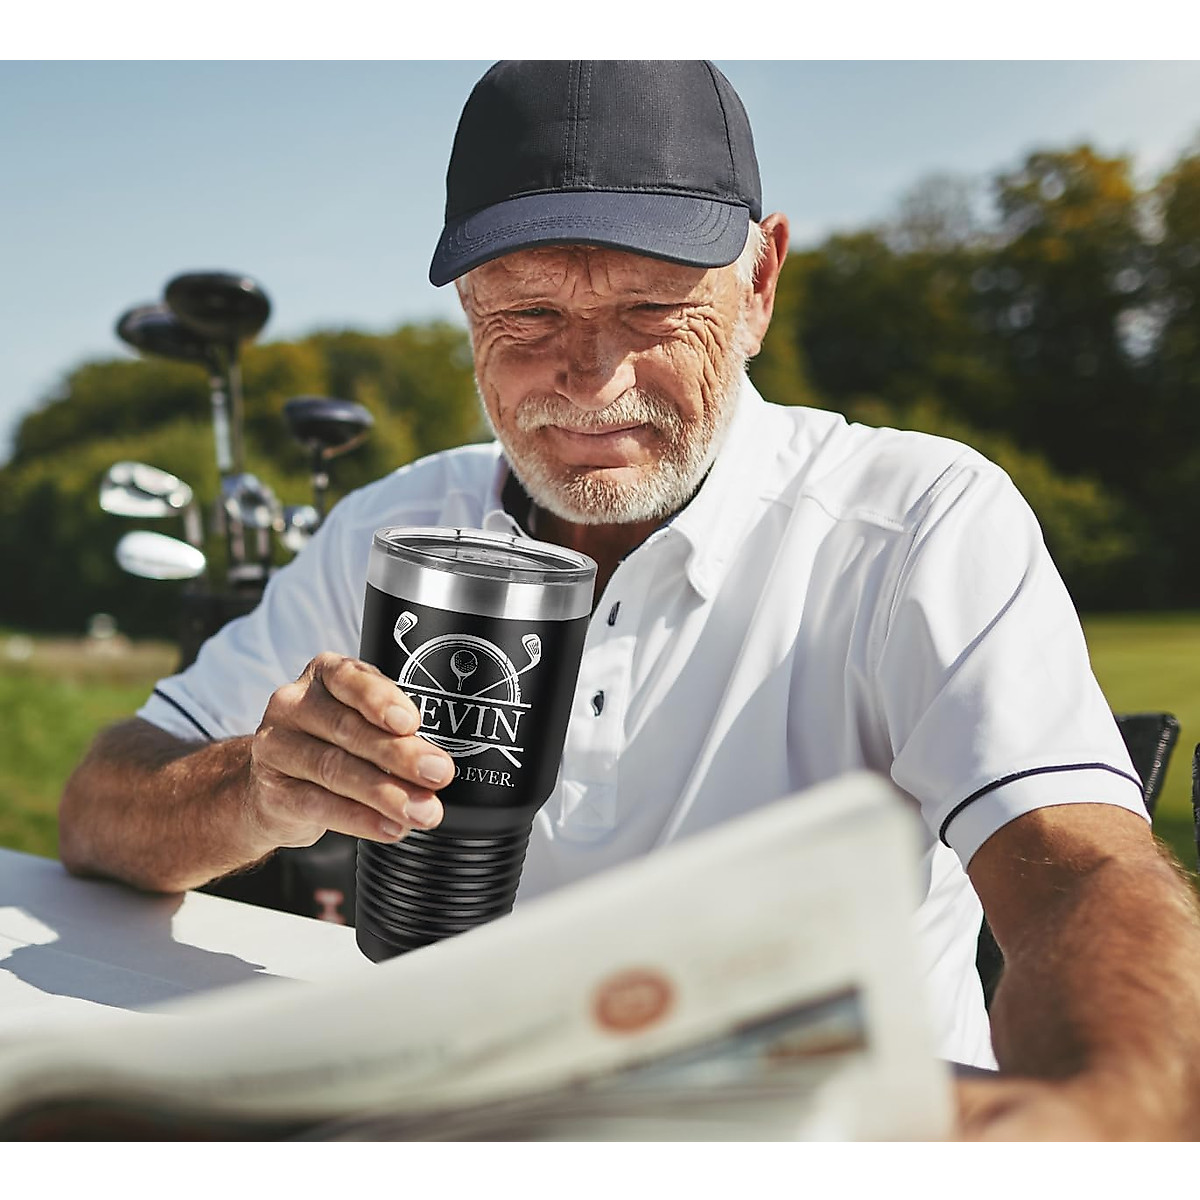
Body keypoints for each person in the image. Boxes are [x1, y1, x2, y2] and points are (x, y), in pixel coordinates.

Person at [60, 60, 1200, 1139]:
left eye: (653, 308)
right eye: (529, 316)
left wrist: (1107, 1111)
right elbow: (106, 803)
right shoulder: (393, 527)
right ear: (467, 311)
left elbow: (1080, 870)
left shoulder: (915, 520)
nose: (591, 377)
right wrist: (259, 787)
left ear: (759, 284)